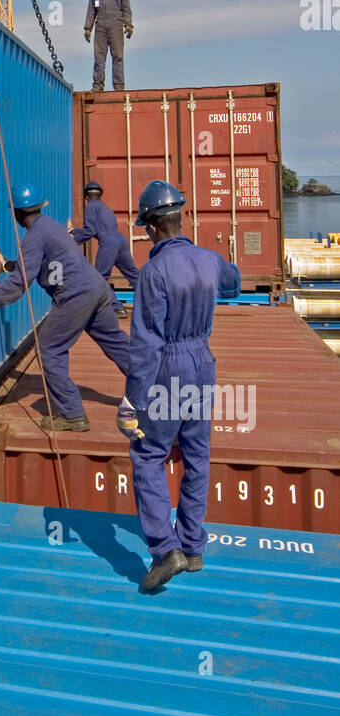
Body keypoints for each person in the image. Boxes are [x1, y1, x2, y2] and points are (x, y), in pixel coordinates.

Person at [116, 180, 241, 593]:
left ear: (151, 227)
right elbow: (234, 283)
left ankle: (165, 549)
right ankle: (193, 546)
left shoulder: (152, 272)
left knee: (148, 453)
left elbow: (147, 343)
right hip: (203, 362)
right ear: (181, 217)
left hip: (169, 365)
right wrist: (215, 263)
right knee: (197, 454)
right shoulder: (209, 259)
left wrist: (131, 403)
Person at [0, 181, 131, 432]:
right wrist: (8, 265)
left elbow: (19, 286)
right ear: (39, 206)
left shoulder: (33, 237)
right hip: (97, 288)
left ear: (16, 212)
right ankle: (147, 385)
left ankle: (72, 414)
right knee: (114, 340)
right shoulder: (51, 227)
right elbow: (39, 264)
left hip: (75, 295)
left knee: (49, 348)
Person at [70, 180, 139, 317]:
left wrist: (73, 234)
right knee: (133, 274)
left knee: (101, 277)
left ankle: (117, 307)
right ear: (100, 194)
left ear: (86, 196)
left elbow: (90, 231)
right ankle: (150, 301)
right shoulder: (106, 208)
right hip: (121, 240)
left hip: (109, 242)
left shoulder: (90, 206)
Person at [84, 0, 133, 92]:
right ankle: (98, 86)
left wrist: (128, 24)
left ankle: (119, 86)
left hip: (116, 26)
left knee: (117, 56)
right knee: (99, 58)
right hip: (100, 27)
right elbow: (91, 9)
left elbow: (126, 7)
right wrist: (88, 28)